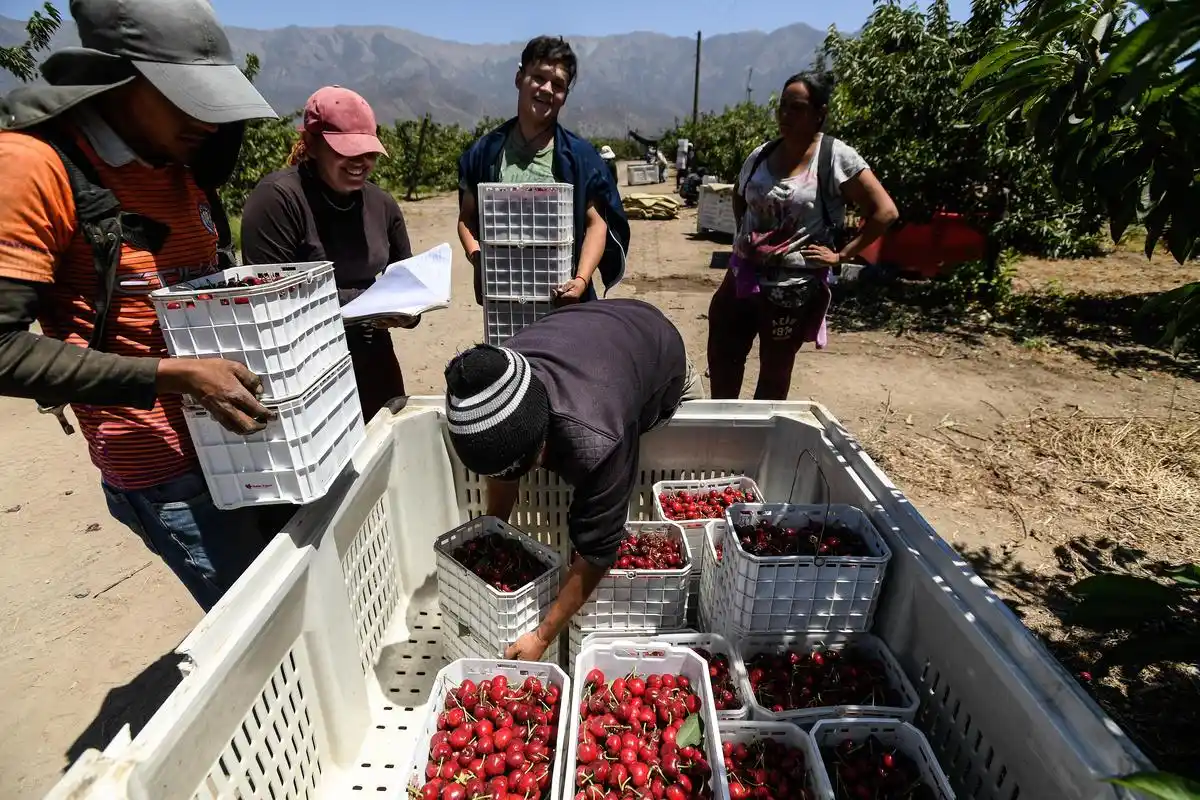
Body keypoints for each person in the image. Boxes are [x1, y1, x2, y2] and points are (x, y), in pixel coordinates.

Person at [0, 0, 285, 612]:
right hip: (166, 467)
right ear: (117, 77)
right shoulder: (36, 166)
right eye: (185, 95)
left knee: (292, 595)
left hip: (238, 443)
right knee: (261, 630)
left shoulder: (186, 156)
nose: (206, 119)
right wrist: (173, 376)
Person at [442, 299, 703, 661]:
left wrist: (541, 636)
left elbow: (597, 553)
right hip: (595, 333)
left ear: (543, 440)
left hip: (658, 348)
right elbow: (502, 461)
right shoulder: (498, 377)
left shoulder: (598, 439)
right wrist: (494, 532)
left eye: (522, 465)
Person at [706, 71, 898, 400]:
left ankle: (761, 446)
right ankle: (725, 438)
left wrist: (841, 255)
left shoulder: (836, 158)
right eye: (782, 107)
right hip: (742, 278)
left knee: (773, 376)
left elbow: (885, 212)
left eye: (796, 108)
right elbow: (740, 194)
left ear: (819, 113)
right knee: (724, 358)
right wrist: (745, 236)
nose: (785, 115)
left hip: (790, 290)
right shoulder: (762, 154)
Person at [241, 86, 417, 421]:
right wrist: (369, 302)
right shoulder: (278, 200)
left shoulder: (382, 205)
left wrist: (409, 312)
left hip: (373, 361)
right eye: (346, 151)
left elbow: (407, 282)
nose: (361, 163)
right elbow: (270, 299)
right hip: (306, 368)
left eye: (368, 152)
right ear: (311, 144)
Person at [457, 36, 630, 306]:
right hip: (506, 297)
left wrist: (582, 280)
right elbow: (467, 218)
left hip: (563, 298)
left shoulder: (580, 158)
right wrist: (478, 258)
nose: (547, 89)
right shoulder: (486, 152)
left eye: (558, 84)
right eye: (539, 77)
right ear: (519, 78)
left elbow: (596, 223)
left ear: (564, 97)